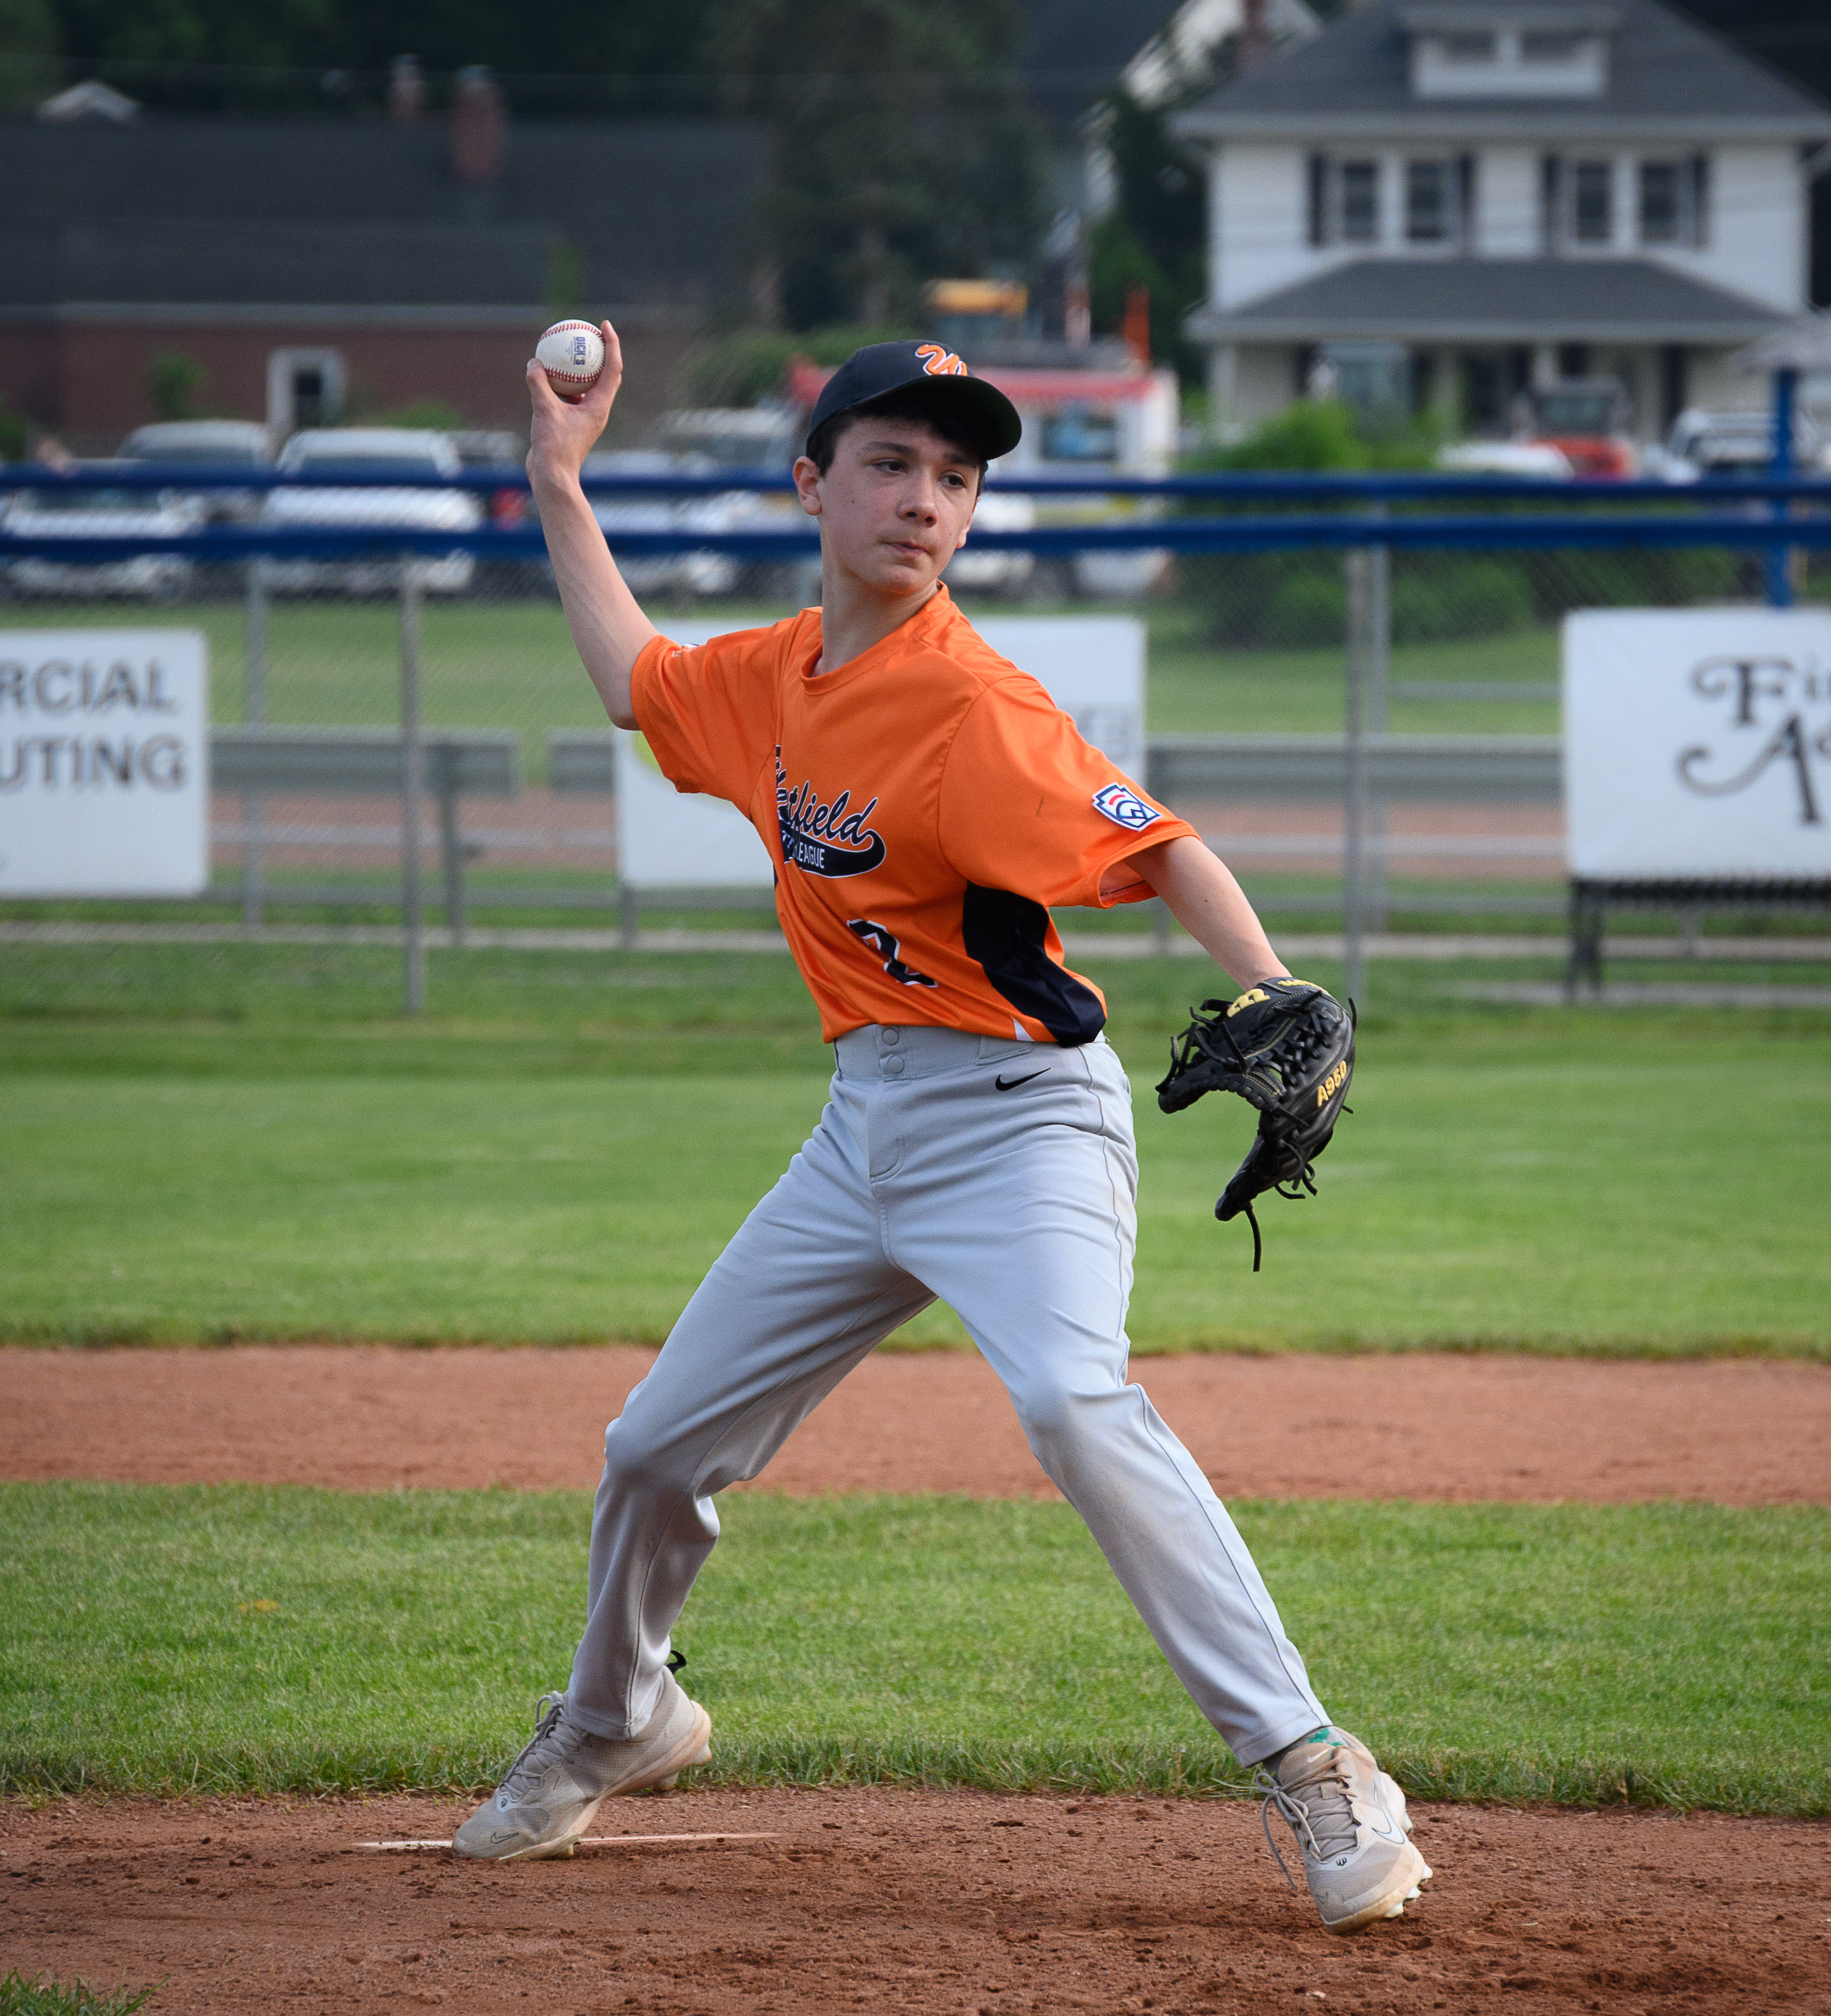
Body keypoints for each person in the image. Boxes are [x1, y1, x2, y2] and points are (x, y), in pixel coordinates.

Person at [452, 328, 1432, 1935]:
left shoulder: (974, 707)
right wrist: (558, 475)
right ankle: (623, 1717)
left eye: (957, 477)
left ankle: (1318, 1763)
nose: (925, 500)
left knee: (1067, 1393)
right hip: (862, 1130)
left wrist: (1275, 983)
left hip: (1020, 1124)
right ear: (813, 481)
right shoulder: (771, 680)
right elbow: (631, 673)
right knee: (652, 1448)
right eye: (893, 462)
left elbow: (1163, 845)